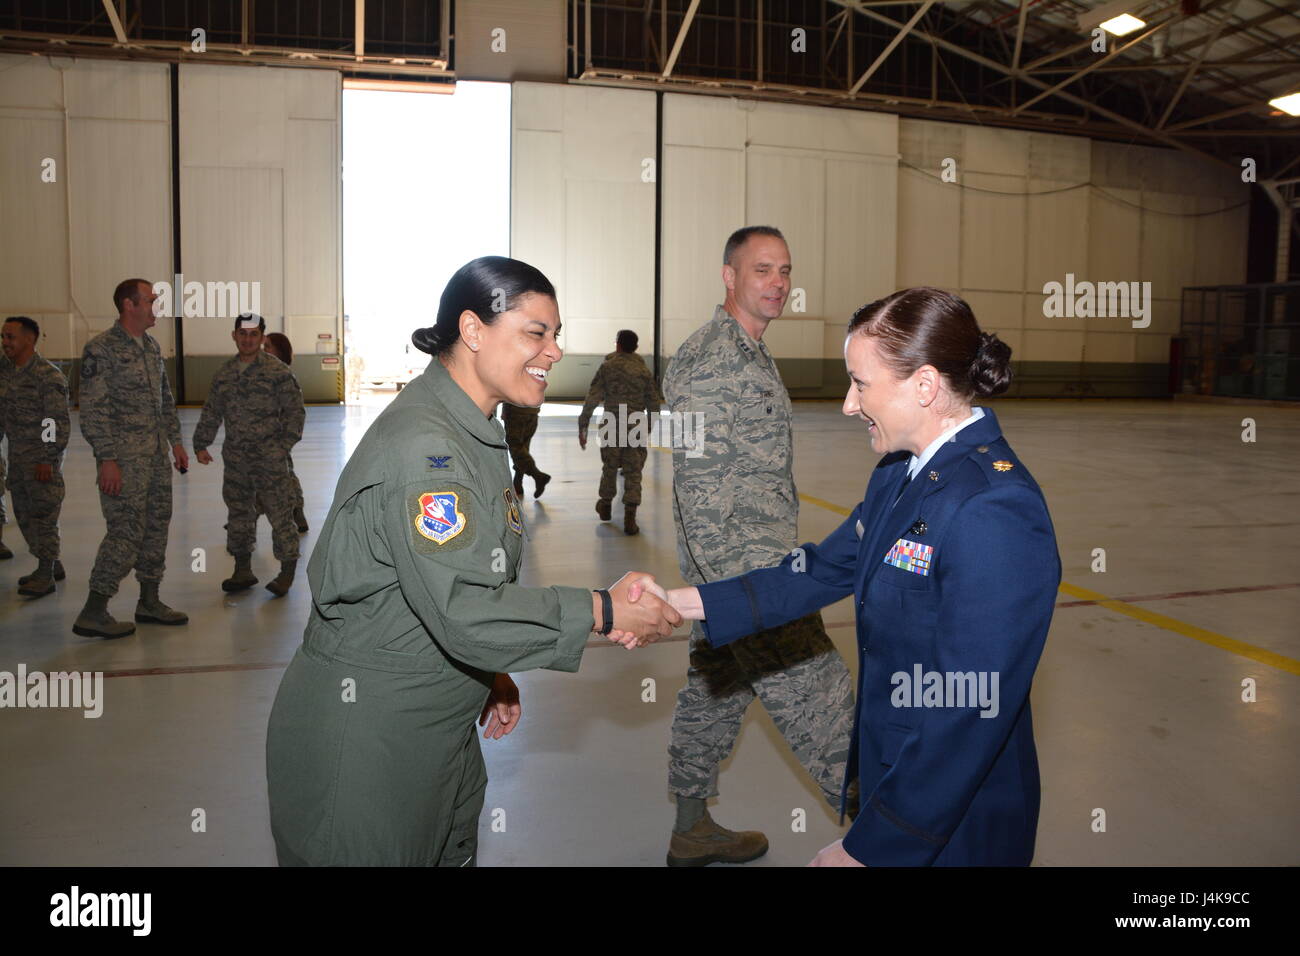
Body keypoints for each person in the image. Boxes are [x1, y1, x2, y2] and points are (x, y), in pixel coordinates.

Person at [265, 256, 681, 867]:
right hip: (370, 737)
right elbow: (463, 607)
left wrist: (487, 675)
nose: (555, 350)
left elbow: (448, 588)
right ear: (473, 330)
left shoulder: (472, 433)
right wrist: (604, 609)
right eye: (536, 331)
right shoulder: (428, 448)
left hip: (437, 725)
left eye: (557, 333)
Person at [654, 287, 1061, 866]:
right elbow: (820, 570)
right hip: (894, 771)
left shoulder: (994, 508)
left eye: (861, 383)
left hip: (953, 818)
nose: (848, 403)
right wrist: (681, 601)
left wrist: (874, 846)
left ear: (924, 386)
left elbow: (970, 709)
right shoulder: (899, 474)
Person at [660, 225, 856, 866]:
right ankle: (889, 844)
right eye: (762, 270)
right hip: (751, 580)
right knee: (829, 710)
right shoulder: (713, 362)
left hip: (747, 576)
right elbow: (701, 493)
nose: (777, 283)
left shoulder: (750, 350)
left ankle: (691, 827)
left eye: (785, 271)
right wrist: (743, 600)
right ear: (729, 275)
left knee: (715, 692)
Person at [74, 278, 189, 638]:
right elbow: (92, 408)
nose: (156, 306)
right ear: (129, 305)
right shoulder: (101, 349)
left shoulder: (152, 347)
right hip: (123, 462)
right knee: (125, 532)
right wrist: (107, 458)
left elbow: (165, 400)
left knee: (156, 527)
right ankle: (94, 610)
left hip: (154, 459)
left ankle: (149, 601)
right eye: (151, 300)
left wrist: (176, 442)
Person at [193, 314, 305, 596]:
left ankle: (286, 571)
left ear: (262, 338)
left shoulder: (277, 372)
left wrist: (283, 446)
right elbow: (212, 411)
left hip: (271, 459)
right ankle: (242, 569)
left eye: (254, 335)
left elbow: (295, 412)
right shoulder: (225, 373)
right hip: (236, 460)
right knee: (239, 513)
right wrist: (201, 443)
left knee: (280, 513)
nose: (247, 340)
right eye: (242, 334)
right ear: (234, 336)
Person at [0, 317, 70, 596]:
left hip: (41, 461)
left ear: (29, 340)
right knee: (25, 516)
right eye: (3, 337)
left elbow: (56, 423)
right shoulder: (5, 371)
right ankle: (51, 562)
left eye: (10, 337)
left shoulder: (48, 376)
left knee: (44, 516)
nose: (5, 343)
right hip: (17, 458)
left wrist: (47, 459)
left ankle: (45, 574)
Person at [577, 329, 663, 535]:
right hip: (635, 425)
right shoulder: (643, 371)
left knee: (610, 466)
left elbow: (593, 396)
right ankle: (630, 518)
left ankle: (605, 504)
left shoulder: (608, 367)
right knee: (634, 472)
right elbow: (654, 404)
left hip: (611, 424)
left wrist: (583, 424)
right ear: (636, 347)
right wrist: (648, 427)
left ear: (617, 344)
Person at [262, 332, 309, 533]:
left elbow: (295, 412)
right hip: (263, 437)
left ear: (279, 350)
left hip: (277, 439)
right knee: (283, 474)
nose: (264, 351)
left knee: (278, 476)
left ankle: (296, 512)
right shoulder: (262, 372)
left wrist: (285, 440)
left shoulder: (282, 376)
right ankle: (297, 512)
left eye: (268, 347)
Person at [502, 403, 550, 499]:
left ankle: (538, 476)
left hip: (516, 412)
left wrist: (504, 409)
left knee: (515, 447)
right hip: (532, 412)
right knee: (523, 448)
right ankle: (517, 483)